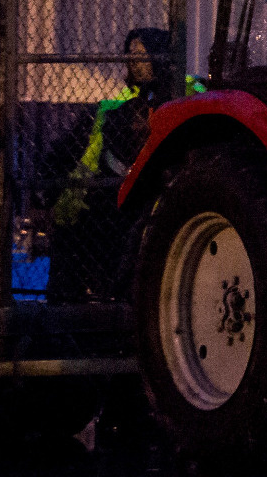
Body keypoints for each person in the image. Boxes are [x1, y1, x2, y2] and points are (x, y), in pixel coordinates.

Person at [45, 28, 194, 303]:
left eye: (142, 55)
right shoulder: (115, 107)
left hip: (158, 193)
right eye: (130, 55)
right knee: (78, 232)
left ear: (159, 57)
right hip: (112, 193)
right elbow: (71, 149)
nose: (134, 62)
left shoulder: (186, 94)